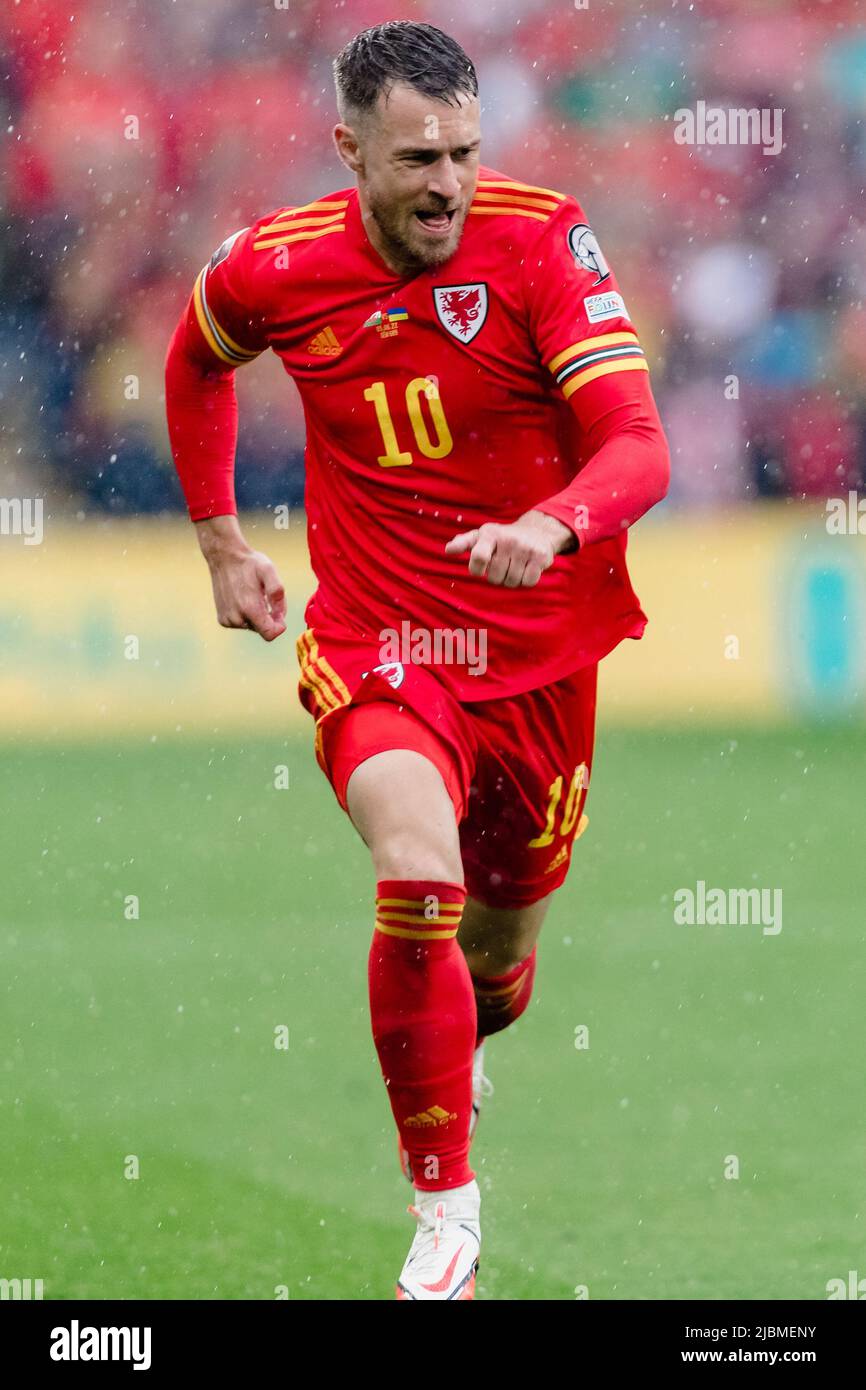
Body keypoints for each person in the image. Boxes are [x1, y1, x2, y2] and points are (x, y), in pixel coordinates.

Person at [165, 19, 669, 1300]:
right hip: (381, 644)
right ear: (350, 151)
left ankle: (468, 1027)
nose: (447, 180)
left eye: (463, 150)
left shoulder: (541, 240)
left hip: (540, 659)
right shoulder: (274, 267)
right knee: (414, 868)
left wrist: (552, 522)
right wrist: (223, 544)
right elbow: (196, 361)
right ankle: (445, 1213)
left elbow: (637, 447)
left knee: (495, 957)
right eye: (417, 157)